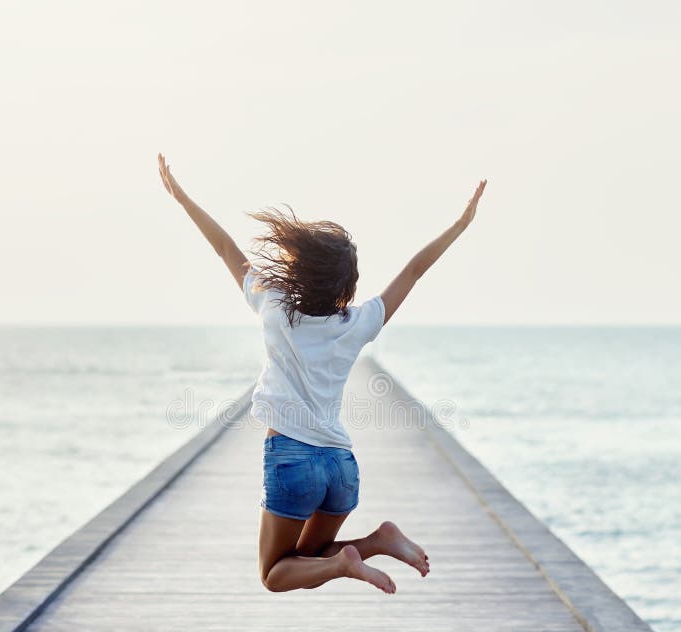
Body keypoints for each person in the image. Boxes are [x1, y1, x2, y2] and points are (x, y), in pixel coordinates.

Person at [158, 153, 486, 595]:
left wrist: (182, 198)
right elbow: (412, 270)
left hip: (292, 460)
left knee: (274, 574)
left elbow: (224, 248)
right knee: (306, 560)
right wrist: (460, 226)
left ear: (298, 271)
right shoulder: (356, 323)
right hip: (340, 466)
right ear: (346, 288)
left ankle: (346, 565)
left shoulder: (272, 306)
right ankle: (376, 542)